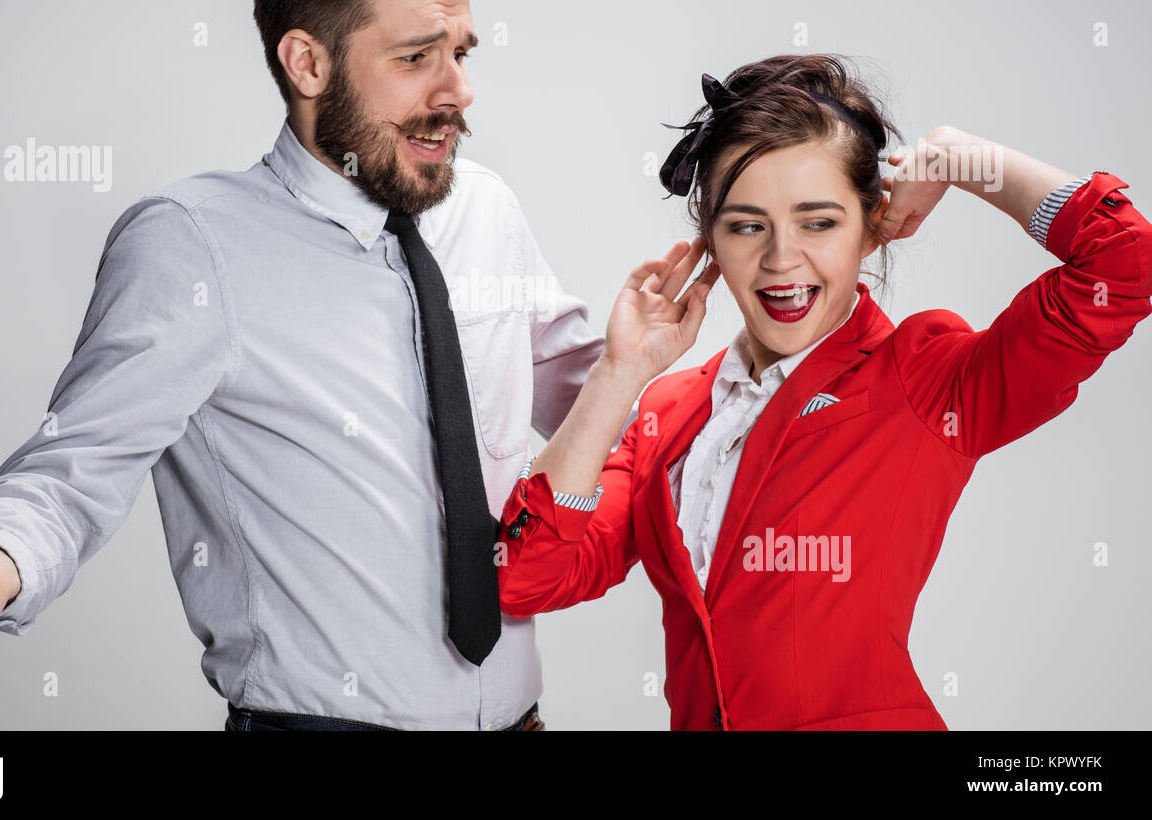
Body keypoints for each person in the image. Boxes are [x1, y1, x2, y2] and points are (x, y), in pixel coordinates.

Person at [0, 0, 603, 731]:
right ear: (307, 63)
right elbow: (75, 468)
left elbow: (601, 399)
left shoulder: (486, 209)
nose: (458, 90)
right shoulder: (191, 245)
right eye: (415, 57)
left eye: (461, 52)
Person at [493, 52, 1152, 730]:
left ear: (874, 227)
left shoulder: (922, 380)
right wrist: (617, 375)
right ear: (710, 241)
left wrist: (960, 158)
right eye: (748, 225)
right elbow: (526, 577)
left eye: (819, 222)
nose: (782, 259)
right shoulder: (668, 412)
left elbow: (1124, 259)